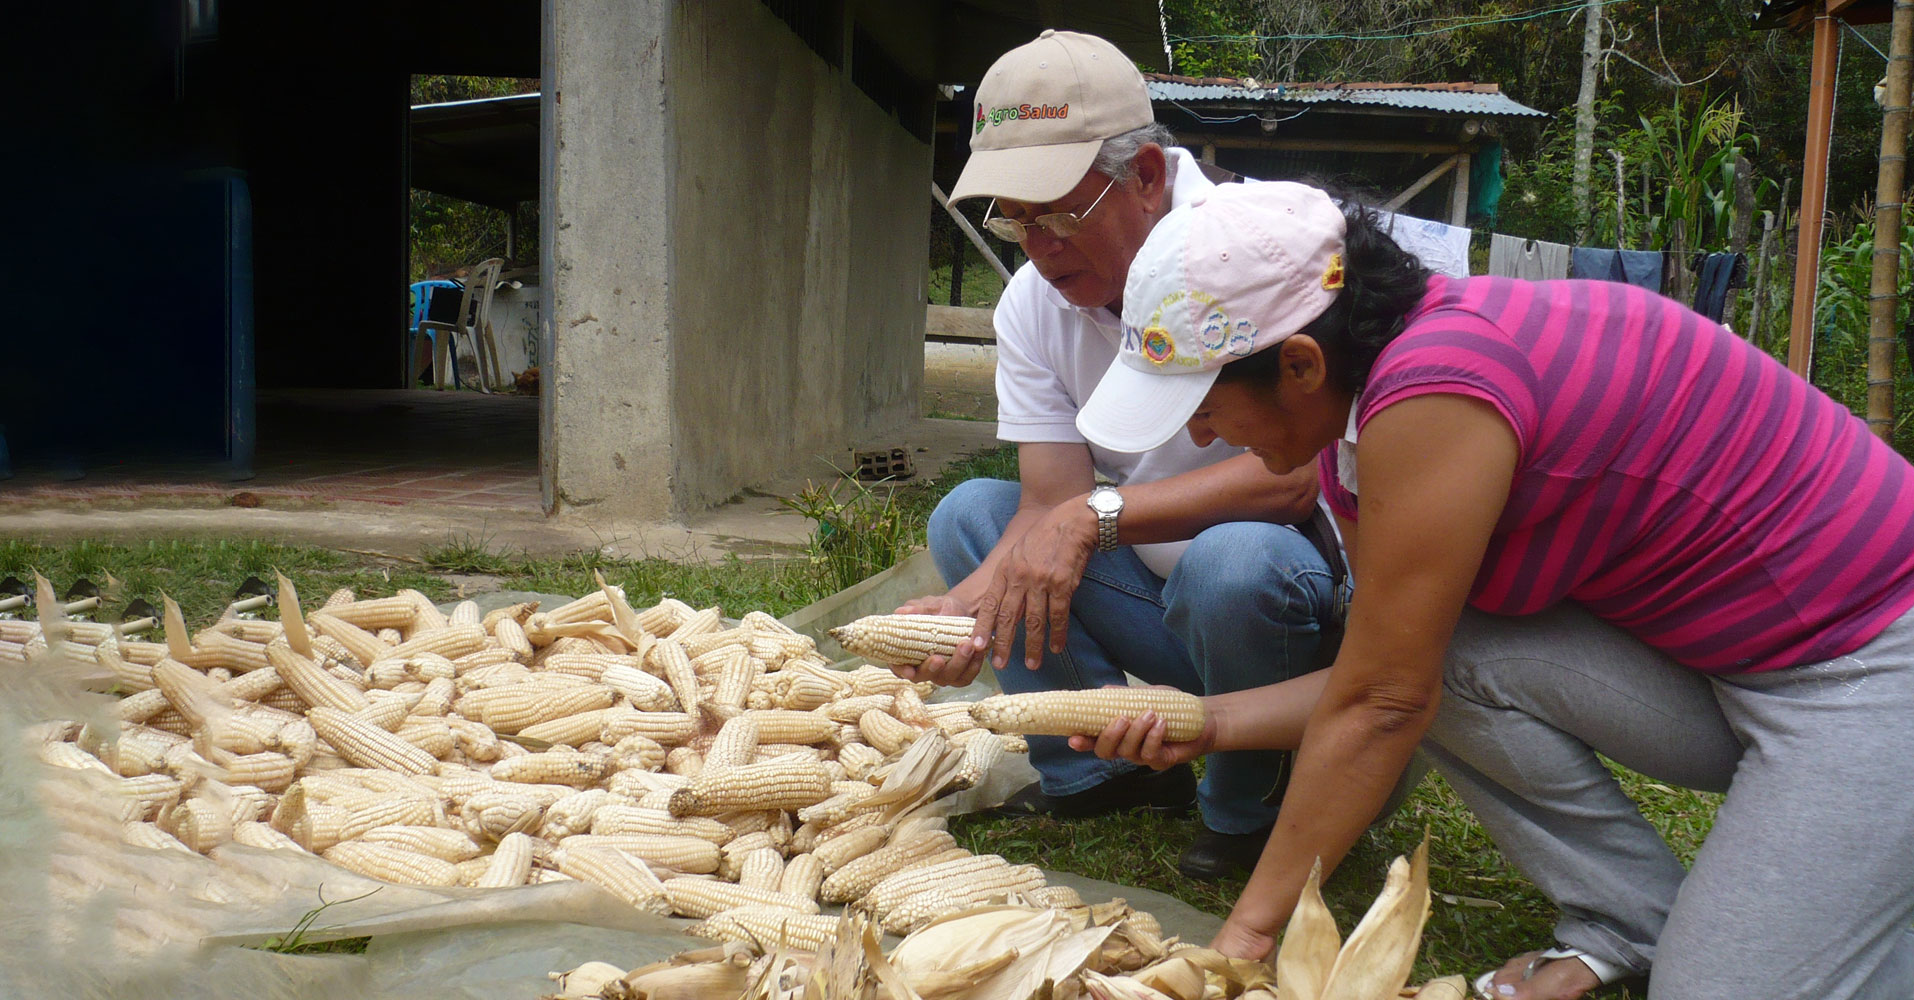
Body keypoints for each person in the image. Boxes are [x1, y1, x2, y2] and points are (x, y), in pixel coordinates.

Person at [1070, 179, 1914, 1000]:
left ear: (1299, 363)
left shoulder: (1438, 384)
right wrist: (1210, 720)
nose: (1200, 436)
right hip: (1731, 670)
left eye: (1205, 406)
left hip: (1866, 666)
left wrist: (1244, 942)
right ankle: (1630, 921)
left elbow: (1382, 704)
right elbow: (1385, 671)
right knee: (1444, 647)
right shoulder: (1353, 427)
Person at [898, 29, 1345, 879]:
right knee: (972, 516)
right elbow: (1045, 501)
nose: (1039, 245)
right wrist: (963, 610)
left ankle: (1253, 805)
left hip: (1278, 611)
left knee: (1234, 562)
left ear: (1143, 176)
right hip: (1156, 598)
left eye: (1061, 214)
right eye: (1015, 218)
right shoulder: (1034, 305)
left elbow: (1295, 480)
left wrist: (1095, 515)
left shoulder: (1257, 248)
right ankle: (1099, 771)